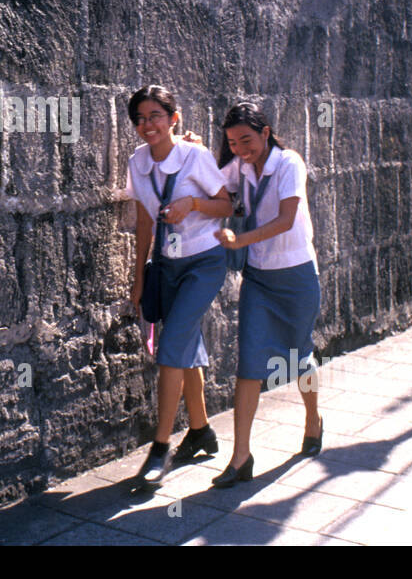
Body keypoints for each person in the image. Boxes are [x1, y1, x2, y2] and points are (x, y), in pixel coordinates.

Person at [208, 101, 323, 487]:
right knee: (250, 363)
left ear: (266, 132)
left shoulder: (289, 163)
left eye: (247, 140)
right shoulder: (241, 167)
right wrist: (189, 146)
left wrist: (239, 238)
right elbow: (211, 182)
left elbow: (287, 219)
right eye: (233, 143)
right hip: (258, 279)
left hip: (296, 276)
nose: (241, 149)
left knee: (299, 355)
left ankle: (313, 419)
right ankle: (241, 458)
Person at [125, 85, 235, 487]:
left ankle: (160, 448)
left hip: (204, 262)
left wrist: (193, 205)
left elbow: (228, 205)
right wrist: (138, 278)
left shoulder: (195, 155)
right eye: (139, 118)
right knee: (187, 346)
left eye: (155, 115)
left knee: (172, 348)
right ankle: (202, 432)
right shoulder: (138, 163)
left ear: (173, 118)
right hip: (167, 264)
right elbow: (143, 222)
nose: (146, 124)